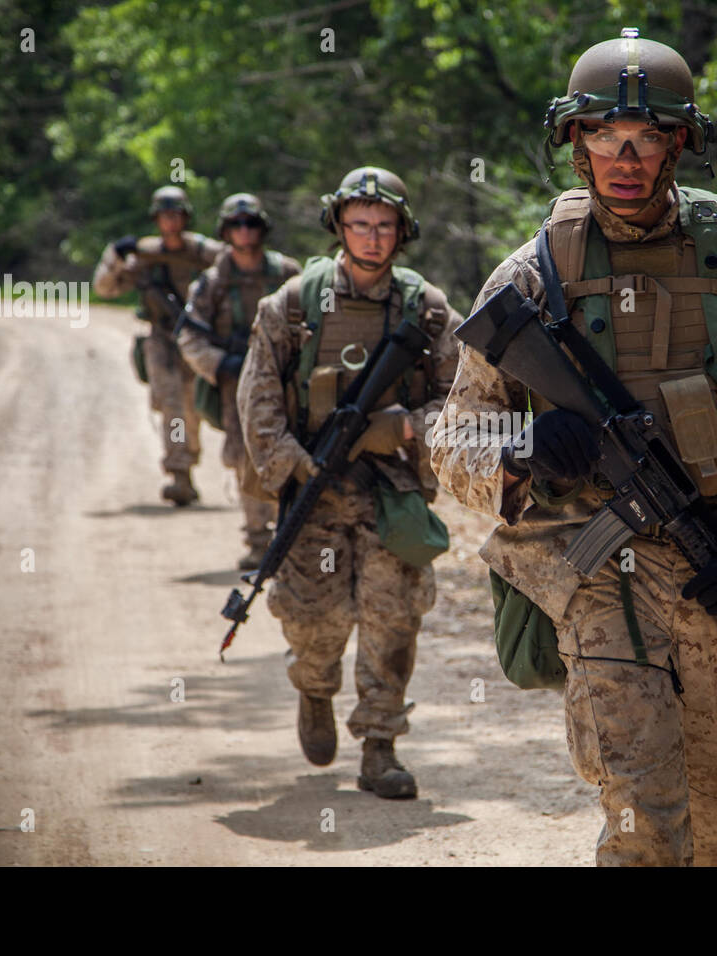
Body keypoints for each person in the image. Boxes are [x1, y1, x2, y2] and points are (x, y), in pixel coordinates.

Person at [429, 30, 717, 865]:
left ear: (680, 144)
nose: (624, 159)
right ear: (575, 145)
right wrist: (523, 449)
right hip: (597, 572)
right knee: (645, 819)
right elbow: (452, 435)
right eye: (603, 136)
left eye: (646, 138)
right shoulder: (531, 275)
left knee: (716, 821)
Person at [237, 167, 464, 798]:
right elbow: (258, 399)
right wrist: (295, 463)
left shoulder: (429, 309)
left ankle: (381, 745)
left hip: (395, 494)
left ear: (402, 232)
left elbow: (465, 400)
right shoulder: (292, 304)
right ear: (339, 226)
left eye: (384, 226)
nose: (372, 237)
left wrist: (404, 429)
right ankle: (314, 687)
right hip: (314, 491)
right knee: (314, 621)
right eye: (360, 224)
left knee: (393, 621)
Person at [176, 193, 300, 568]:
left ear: (262, 229)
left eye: (251, 225)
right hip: (237, 386)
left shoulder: (287, 273)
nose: (244, 233)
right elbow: (190, 337)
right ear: (226, 232)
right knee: (247, 456)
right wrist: (221, 364)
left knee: (295, 451)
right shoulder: (212, 282)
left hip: (290, 380)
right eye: (236, 226)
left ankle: (292, 533)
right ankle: (259, 539)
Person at [93, 185, 222, 505]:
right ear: (156, 219)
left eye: (176, 214)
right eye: (164, 216)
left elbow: (236, 260)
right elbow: (105, 289)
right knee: (172, 406)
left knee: (192, 410)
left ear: (186, 217)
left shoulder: (202, 252)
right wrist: (115, 256)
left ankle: (187, 461)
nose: (171, 222)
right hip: (161, 340)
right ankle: (180, 474)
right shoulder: (145, 256)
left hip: (196, 340)